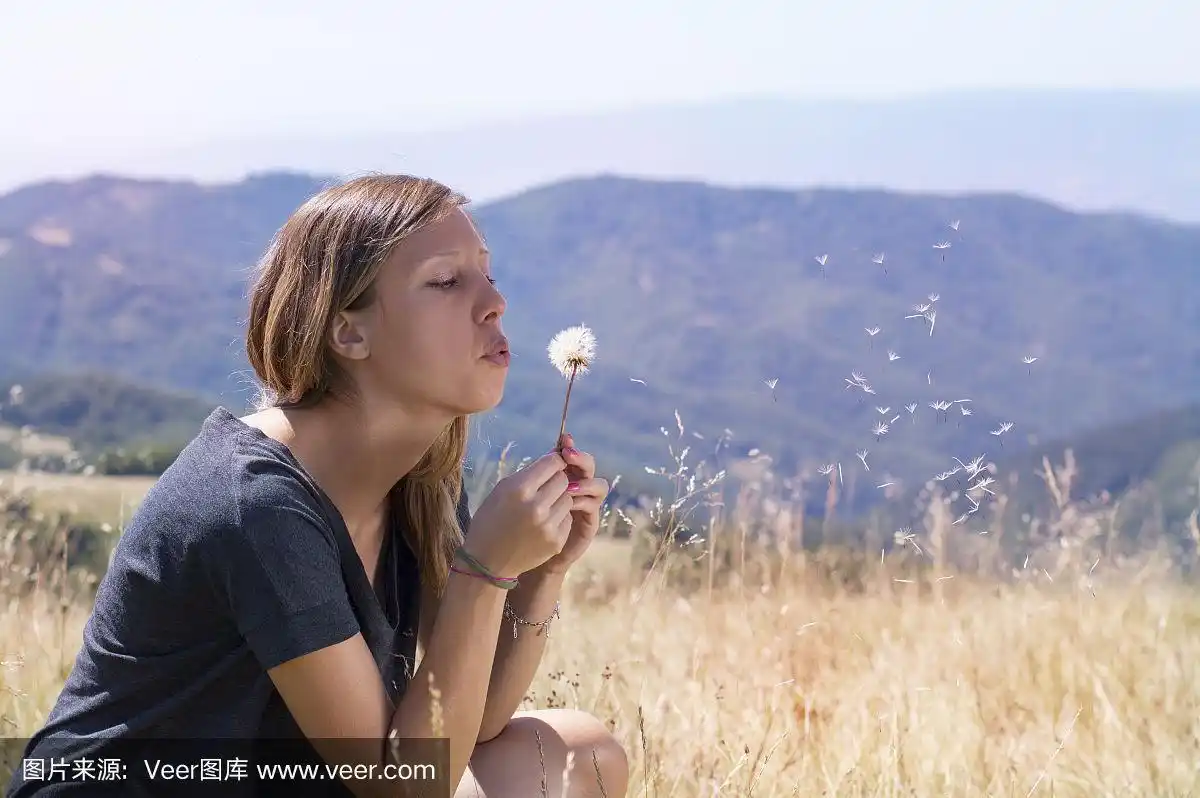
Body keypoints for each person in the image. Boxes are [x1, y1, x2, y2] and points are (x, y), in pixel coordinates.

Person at [5, 175, 629, 797]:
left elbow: (472, 725)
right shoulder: (255, 503)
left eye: (488, 275)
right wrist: (483, 572)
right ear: (348, 332)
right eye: (445, 281)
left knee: (576, 754)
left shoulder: (420, 483)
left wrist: (540, 573)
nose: (494, 302)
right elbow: (401, 786)